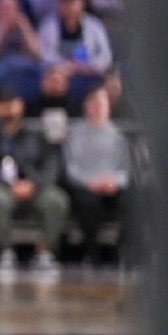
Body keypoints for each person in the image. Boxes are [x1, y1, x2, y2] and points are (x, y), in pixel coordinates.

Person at [0, 86, 67, 274]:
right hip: (3, 188)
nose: (8, 109)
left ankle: (45, 252)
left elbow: (51, 165)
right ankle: (5, 251)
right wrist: (9, 186)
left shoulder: (37, 136)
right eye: (3, 105)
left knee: (57, 200)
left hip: (35, 188)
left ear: (21, 106)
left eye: (12, 104)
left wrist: (34, 184)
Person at [63, 87, 132, 266]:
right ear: (86, 106)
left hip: (112, 185)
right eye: (94, 103)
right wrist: (90, 182)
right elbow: (71, 167)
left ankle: (122, 250)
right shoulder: (75, 134)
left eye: (102, 103)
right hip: (86, 185)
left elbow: (126, 168)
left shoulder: (119, 136)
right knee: (87, 203)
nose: (98, 107)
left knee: (132, 202)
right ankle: (92, 252)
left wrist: (115, 182)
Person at [38, 0, 113, 74]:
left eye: (73, 2)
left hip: (89, 73)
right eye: (65, 3)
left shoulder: (94, 25)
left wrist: (88, 66)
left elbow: (105, 55)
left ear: (82, 3)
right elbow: (42, 53)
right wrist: (66, 65)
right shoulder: (48, 26)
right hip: (59, 74)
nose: (69, 7)